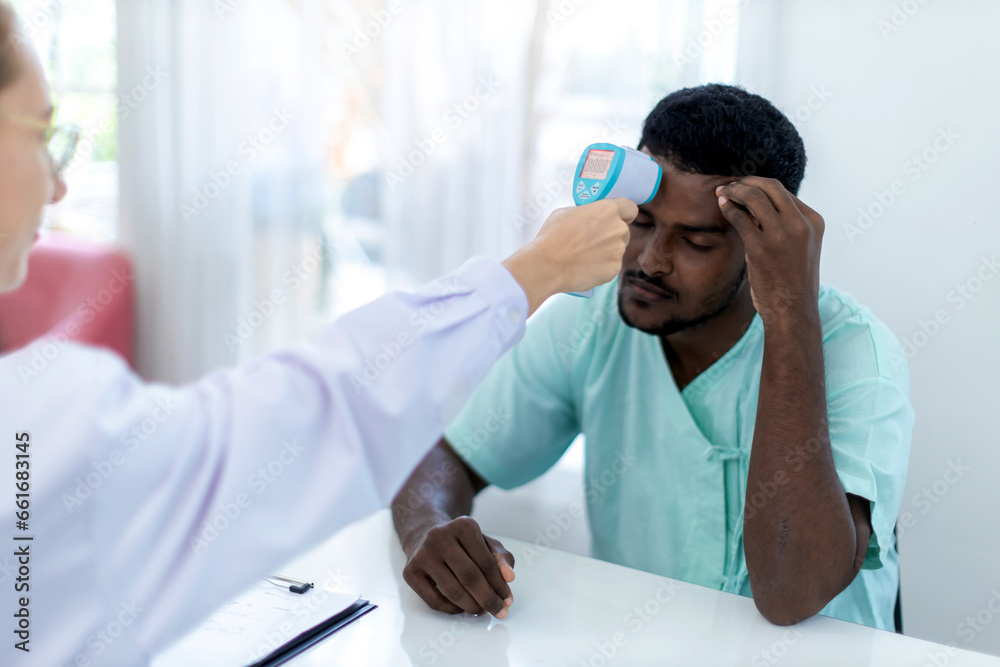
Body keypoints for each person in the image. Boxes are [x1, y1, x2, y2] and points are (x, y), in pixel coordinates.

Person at [0, 5, 637, 665]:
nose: (60, 180)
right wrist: (534, 272)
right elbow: (304, 423)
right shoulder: (39, 425)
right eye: (44, 135)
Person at [392, 84, 914, 631]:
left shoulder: (856, 353)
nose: (650, 260)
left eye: (696, 242)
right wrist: (426, 528)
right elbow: (444, 460)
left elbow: (790, 595)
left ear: (764, 245)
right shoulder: (594, 320)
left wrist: (789, 317)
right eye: (640, 222)